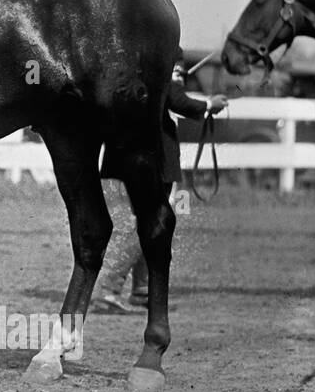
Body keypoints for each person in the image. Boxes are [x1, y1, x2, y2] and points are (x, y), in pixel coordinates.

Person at [93, 50, 227, 313]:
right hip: (153, 152)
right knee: (151, 221)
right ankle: (108, 289)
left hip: (126, 148)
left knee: (152, 219)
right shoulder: (166, 50)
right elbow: (174, 98)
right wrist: (208, 105)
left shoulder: (126, 50)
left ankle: (142, 290)